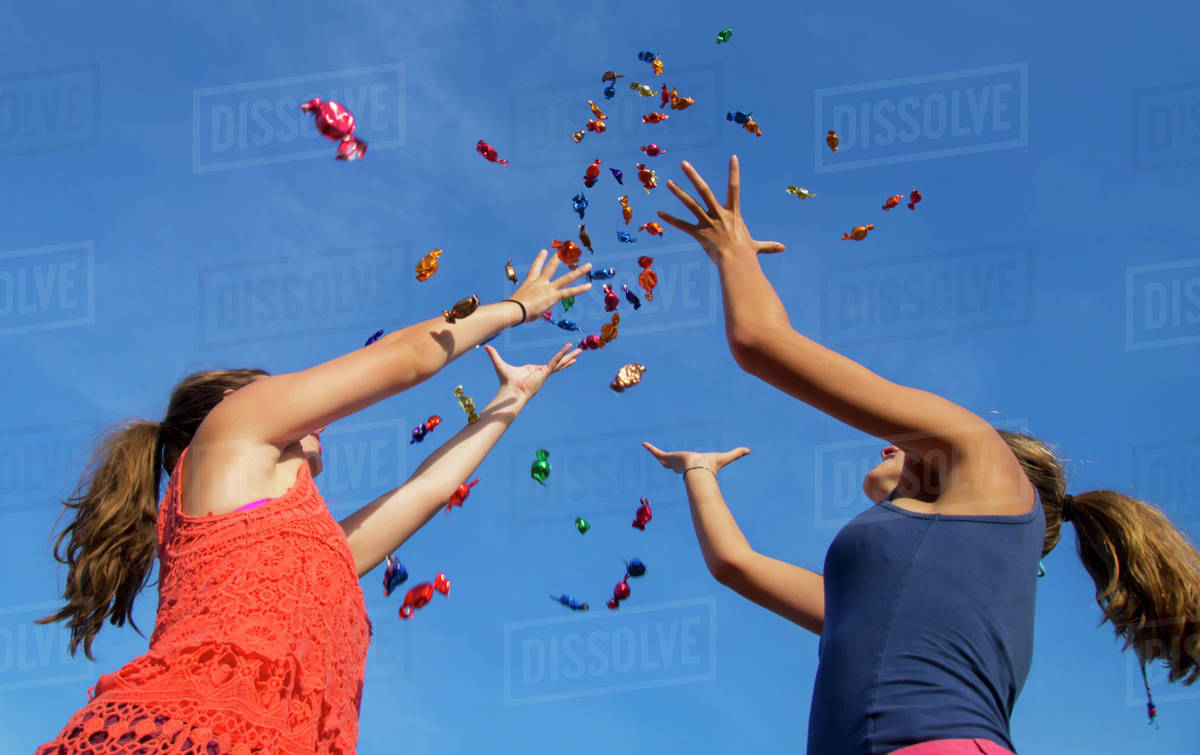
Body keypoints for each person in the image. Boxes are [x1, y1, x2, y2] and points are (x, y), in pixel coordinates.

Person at [643, 157, 1200, 755]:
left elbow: (761, 342)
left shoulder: (981, 456)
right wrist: (697, 469)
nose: (889, 440)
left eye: (906, 438)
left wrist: (733, 252)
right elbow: (735, 564)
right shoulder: (885, 596)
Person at [36, 251, 593, 754]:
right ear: (232, 402)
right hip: (183, 734)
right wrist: (519, 306)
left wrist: (511, 399)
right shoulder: (229, 428)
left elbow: (427, 491)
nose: (307, 403)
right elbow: (411, 357)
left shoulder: (322, 548)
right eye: (282, 389)